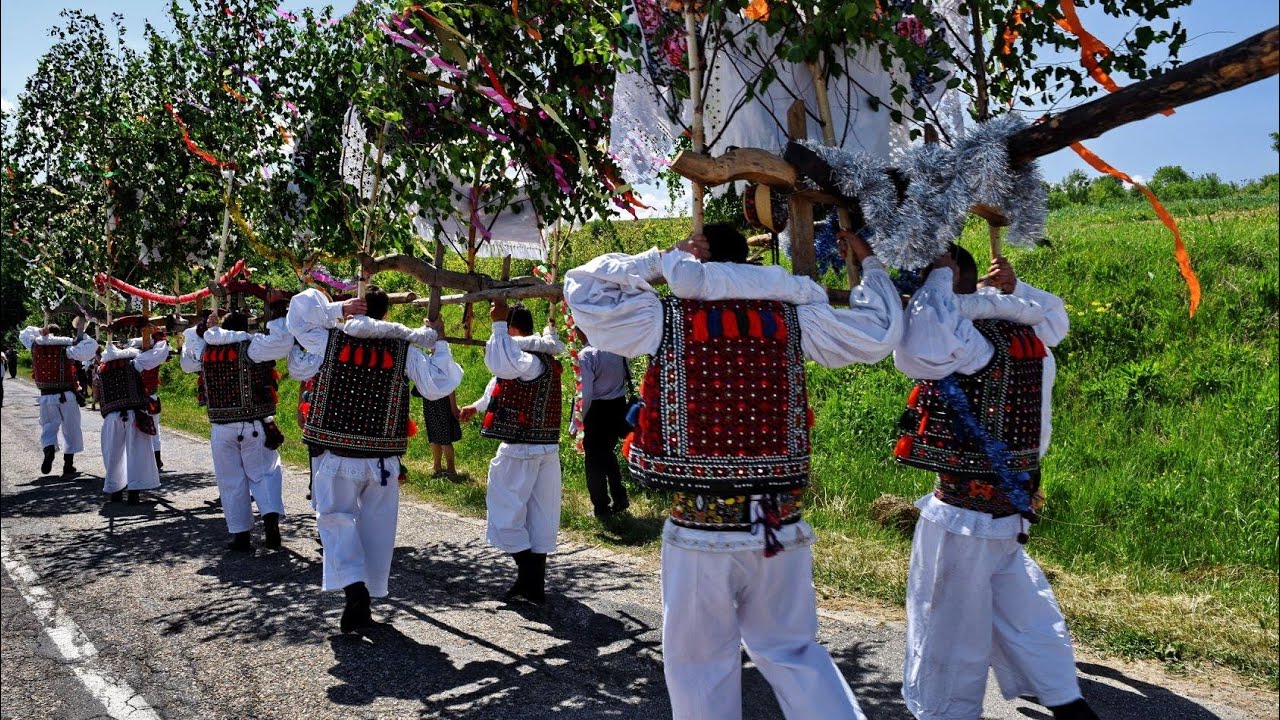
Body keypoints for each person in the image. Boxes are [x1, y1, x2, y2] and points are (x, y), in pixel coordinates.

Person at [564, 222, 903, 720]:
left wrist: (660, 260)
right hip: (778, 525)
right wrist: (869, 263)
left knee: (700, 664)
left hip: (701, 531)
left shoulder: (664, 315)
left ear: (698, 258)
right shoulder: (794, 315)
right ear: (746, 259)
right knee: (795, 651)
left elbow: (582, 288)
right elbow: (879, 334)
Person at [892, 246, 1095, 720]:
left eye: (925, 277)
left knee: (946, 621)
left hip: (964, 513)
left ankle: (945, 713)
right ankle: (1065, 699)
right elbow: (1053, 315)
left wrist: (940, 278)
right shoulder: (1027, 331)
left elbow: (916, 346)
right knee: (1023, 609)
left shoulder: (970, 339)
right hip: (1007, 506)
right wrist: (1012, 288)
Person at [288, 286, 463, 633]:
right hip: (383, 461)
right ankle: (364, 595)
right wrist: (440, 341)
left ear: (357, 308)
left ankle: (355, 589)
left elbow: (298, 317)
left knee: (335, 520)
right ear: (386, 313)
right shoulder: (404, 349)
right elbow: (437, 385)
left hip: (338, 456)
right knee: (378, 529)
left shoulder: (329, 340)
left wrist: (337, 309)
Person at [459, 301, 565, 606]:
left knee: (504, 512)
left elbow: (502, 365)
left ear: (513, 330)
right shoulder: (539, 358)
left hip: (522, 449)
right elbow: (500, 382)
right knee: (539, 517)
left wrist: (497, 324)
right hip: (545, 450)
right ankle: (532, 584)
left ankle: (530, 575)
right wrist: (477, 406)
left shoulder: (527, 360)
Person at [181, 306, 295, 552]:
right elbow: (282, 343)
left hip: (221, 429)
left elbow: (188, 356)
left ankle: (240, 533)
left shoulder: (204, 350)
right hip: (255, 425)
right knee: (264, 474)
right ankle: (271, 523)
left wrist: (205, 328)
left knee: (231, 480)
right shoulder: (252, 347)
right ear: (245, 328)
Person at [96, 334, 169, 504]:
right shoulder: (134, 363)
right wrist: (159, 338)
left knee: (113, 454)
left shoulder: (101, 368)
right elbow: (159, 354)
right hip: (134, 414)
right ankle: (134, 491)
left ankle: (115, 490)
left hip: (111, 417)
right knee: (137, 452)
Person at [20, 319, 99, 477]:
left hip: (46, 396)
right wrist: (81, 336)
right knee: (71, 428)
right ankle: (68, 464)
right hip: (67, 395)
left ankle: (49, 449)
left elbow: (23, 334)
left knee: (48, 426)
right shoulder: (66, 348)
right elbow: (91, 348)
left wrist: (40, 332)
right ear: (59, 334)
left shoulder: (35, 345)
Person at [572, 329, 631, 519]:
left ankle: (601, 506)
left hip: (596, 411)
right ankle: (619, 496)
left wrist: (576, 421)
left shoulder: (587, 355)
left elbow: (586, 394)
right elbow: (627, 375)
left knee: (593, 459)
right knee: (607, 452)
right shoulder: (618, 349)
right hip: (617, 407)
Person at [420, 389, 462, 476]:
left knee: (444, 439)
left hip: (442, 405)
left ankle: (451, 469)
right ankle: (437, 465)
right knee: (433, 437)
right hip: (429, 403)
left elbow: (450, 388)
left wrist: (453, 407)